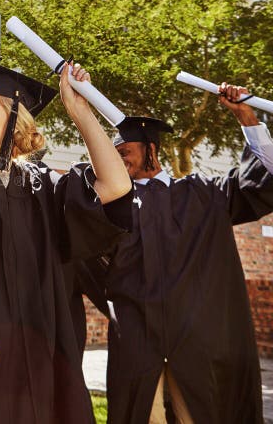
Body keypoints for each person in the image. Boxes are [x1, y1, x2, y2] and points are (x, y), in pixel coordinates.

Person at [0, 58, 133, 424]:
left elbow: (116, 185)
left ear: (15, 118)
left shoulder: (42, 185)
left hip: (43, 370)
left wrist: (80, 112)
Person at [105, 83, 273, 424]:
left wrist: (246, 117)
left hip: (200, 343)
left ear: (152, 148)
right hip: (138, 342)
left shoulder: (205, 195)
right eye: (114, 153)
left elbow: (264, 180)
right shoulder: (112, 208)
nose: (118, 158)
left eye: (125, 151)